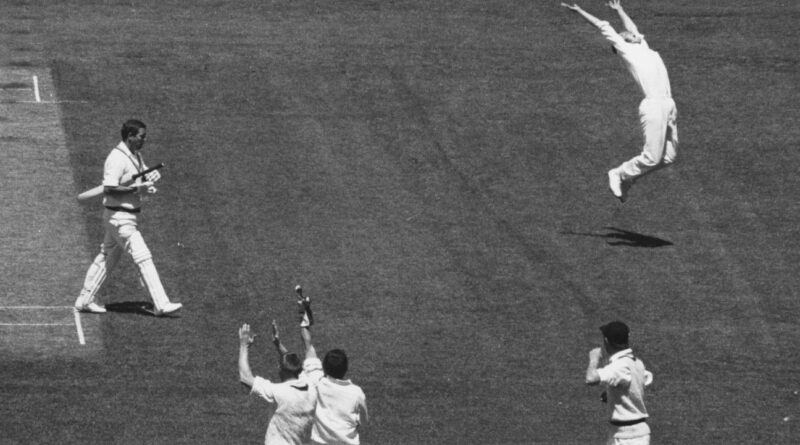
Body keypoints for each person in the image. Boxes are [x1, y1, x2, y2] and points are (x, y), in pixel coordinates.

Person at [563, 1, 678, 202]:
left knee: (669, 157)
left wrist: (619, 10)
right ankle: (618, 173)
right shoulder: (627, 50)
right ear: (624, 41)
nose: (632, 33)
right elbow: (603, 26)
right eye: (627, 34)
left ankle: (629, 178)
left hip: (669, 105)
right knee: (652, 157)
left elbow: (633, 28)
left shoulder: (642, 46)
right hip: (654, 106)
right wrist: (580, 10)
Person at [74, 119, 182, 316]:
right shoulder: (116, 158)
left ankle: (85, 300)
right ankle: (161, 304)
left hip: (125, 217)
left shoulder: (135, 154)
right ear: (130, 137)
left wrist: (149, 179)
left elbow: (140, 175)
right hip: (120, 218)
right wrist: (137, 189)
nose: (144, 140)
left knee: (107, 258)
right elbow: (110, 188)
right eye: (141, 136)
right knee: (143, 257)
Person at [238, 313, 318, 445]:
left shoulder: (279, 392)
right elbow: (292, 363)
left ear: (281, 369)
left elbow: (245, 378)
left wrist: (243, 346)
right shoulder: (311, 387)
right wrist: (278, 344)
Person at [585, 321, 653, 445]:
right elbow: (632, 388)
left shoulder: (620, 365)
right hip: (630, 435)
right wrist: (612, 395)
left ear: (606, 341)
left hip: (628, 439)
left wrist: (593, 359)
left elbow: (591, 378)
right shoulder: (636, 362)